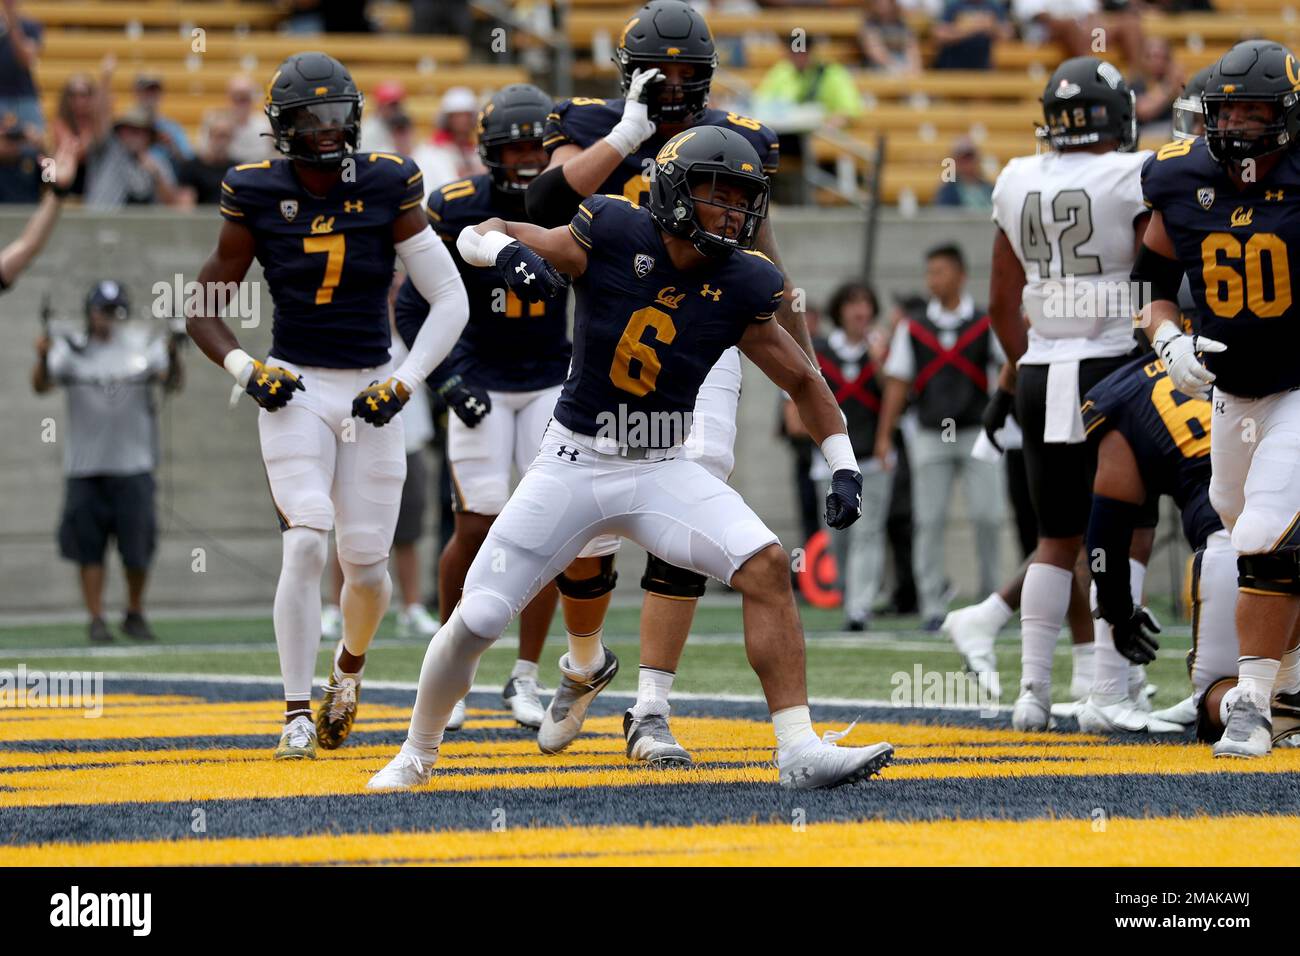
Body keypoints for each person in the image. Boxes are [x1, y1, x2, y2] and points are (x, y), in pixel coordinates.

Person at [368, 126, 893, 792]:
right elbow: (486, 228)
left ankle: (797, 749)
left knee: (764, 565)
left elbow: (802, 381)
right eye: (719, 196)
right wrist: (502, 253)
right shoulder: (612, 229)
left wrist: (843, 463)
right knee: (477, 618)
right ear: (676, 194)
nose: (736, 213)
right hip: (573, 461)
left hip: (661, 468)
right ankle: (416, 752)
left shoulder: (743, 281)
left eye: (744, 199)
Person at [522, 0, 813, 766]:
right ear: (631, 73)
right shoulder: (590, 122)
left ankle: (651, 706)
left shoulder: (735, 139)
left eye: (691, 74)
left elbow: (771, 270)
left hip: (706, 332)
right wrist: (628, 131)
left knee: (697, 478)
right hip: (608, 336)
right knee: (583, 522)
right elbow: (541, 202)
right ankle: (585, 661)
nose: (678, 86)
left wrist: (807, 382)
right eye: (664, 72)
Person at [185, 52, 469, 761]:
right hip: (296, 385)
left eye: (337, 116)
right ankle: (294, 712)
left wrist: (404, 381)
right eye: (310, 120)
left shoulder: (387, 181)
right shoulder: (253, 191)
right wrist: (248, 369)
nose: (325, 132)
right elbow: (201, 308)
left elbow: (450, 298)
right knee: (306, 539)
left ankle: (347, 669)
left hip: (374, 384)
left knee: (367, 566)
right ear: (283, 128)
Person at [1134, 40, 1300, 757]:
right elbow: (1151, 286)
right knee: (1236, 531)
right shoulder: (1180, 178)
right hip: (1233, 394)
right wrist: (1169, 343)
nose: (1238, 126)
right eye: (1228, 111)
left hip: (1298, 385)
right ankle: (1290, 689)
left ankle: (1253, 706)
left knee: (1265, 534)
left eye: (1256, 112)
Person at [393, 85, 572, 730]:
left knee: (552, 530)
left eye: (535, 145)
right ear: (488, 152)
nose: (526, 158)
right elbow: (413, 305)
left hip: (552, 377)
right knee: (476, 525)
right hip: (481, 381)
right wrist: (445, 378)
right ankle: (452, 668)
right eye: (513, 146)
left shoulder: (571, 198)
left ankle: (524, 676)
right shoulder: (456, 206)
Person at [986, 56, 1152, 731]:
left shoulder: (1015, 176)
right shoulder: (1133, 174)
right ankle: (1114, 689)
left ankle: (1032, 694)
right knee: (1130, 529)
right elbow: (1153, 278)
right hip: (1114, 366)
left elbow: (1001, 298)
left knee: (1054, 536)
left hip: (1039, 368)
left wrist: (1025, 357)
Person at [1081, 351, 1235, 735]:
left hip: (1232, 543)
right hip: (1279, 526)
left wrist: (1117, 610)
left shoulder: (1122, 394)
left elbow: (1103, 538)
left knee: (1221, 703)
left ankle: (1242, 702)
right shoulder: (1260, 354)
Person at [32, 281, 183, 643]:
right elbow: (41, 385)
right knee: (89, 548)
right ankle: (96, 618)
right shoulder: (71, 349)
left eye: (115, 310)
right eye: (102, 310)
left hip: (134, 466)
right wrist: (41, 355)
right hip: (85, 468)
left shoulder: (140, 345)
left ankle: (134, 612)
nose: (108, 318)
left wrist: (175, 351)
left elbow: (171, 382)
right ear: (89, 311)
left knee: (138, 547)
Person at [875, 243, 1004, 631]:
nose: (933, 280)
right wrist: (884, 436)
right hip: (930, 434)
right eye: (929, 272)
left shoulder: (985, 322)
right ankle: (932, 605)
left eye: (940, 272)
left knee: (989, 516)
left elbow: (1006, 371)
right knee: (928, 521)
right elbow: (898, 382)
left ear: (961, 275)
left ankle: (991, 601)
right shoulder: (912, 327)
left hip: (978, 432)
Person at [806, 281, 890, 630]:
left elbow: (899, 395)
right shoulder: (822, 350)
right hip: (829, 461)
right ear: (840, 310)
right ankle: (847, 594)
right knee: (838, 535)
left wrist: (880, 360)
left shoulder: (882, 350)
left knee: (868, 534)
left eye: (866, 304)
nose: (861, 312)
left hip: (872, 458)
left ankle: (860, 609)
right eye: (854, 304)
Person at [84, 105, 181, 209]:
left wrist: (156, 176)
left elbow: (172, 203)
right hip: (104, 223)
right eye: (129, 130)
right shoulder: (106, 152)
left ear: (148, 136)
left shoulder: (158, 163)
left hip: (143, 224)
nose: (134, 136)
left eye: (140, 131)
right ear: (120, 133)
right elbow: (99, 119)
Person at [754, 35, 864, 126]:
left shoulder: (832, 73)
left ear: (811, 52)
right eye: (794, 53)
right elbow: (763, 102)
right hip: (786, 133)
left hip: (821, 134)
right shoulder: (781, 71)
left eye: (802, 53)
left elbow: (849, 109)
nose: (798, 57)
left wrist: (828, 125)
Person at [412, 86, 483, 194]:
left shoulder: (477, 153)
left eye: (467, 115)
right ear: (447, 118)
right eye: (458, 116)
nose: (464, 121)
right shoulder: (429, 152)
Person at [930, 0, 1012, 72]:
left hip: (982, 66)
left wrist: (991, 27)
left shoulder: (993, 6)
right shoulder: (953, 6)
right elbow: (938, 34)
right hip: (952, 67)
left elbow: (1007, 34)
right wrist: (969, 29)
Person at [0, 0, 42, 137]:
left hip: (24, 97)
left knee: (37, 143)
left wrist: (11, 21)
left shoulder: (30, 25)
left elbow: (25, 59)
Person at [176, 112, 236, 206]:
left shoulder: (237, 170)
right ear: (209, 135)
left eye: (226, 136)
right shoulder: (191, 168)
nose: (222, 141)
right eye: (219, 135)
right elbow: (185, 205)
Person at [858, 0, 921, 74]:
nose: (883, 4)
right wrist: (897, 67)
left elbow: (911, 48)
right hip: (879, 67)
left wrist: (914, 67)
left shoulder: (902, 24)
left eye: (886, 2)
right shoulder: (870, 25)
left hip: (904, 65)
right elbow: (875, 51)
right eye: (879, 2)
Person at [223, 74, 274, 165]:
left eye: (244, 98)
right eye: (236, 98)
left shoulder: (267, 124)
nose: (240, 103)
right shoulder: (217, 125)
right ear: (229, 97)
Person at [932, 137, 993, 209]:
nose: (968, 163)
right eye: (964, 159)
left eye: (970, 158)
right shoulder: (948, 192)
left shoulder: (989, 188)